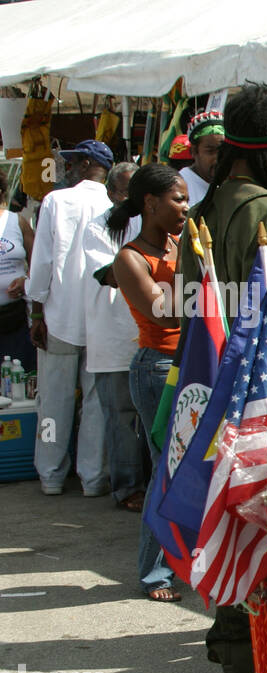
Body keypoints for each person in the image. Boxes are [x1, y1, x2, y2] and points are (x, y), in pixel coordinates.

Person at [176, 83, 267, 673]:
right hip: (264, 397)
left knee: (225, 521)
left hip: (212, 397)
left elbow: (190, 309)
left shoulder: (203, 211)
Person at [111, 164, 187, 602]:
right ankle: (155, 574)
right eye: (176, 199)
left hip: (188, 363)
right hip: (157, 368)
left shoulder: (181, 246)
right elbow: (167, 313)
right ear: (150, 204)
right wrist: (191, 268)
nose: (184, 206)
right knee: (165, 471)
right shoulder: (130, 259)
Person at [26, 139, 115, 496]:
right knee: (95, 403)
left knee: (54, 400)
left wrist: (36, 309)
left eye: (72, 161)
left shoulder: (56, 201)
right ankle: (93, 478)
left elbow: (43, 261)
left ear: (81, 164)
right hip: (101, 318)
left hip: (60, 316)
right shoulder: (115, 205)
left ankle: (50, 474)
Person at [83, 161, 146, 512]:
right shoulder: (100, 226)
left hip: (152, 335)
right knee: (121, 417)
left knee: (153, 415)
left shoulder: (156, 220)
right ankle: (127, 489)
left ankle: (152, 485)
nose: (131, 198)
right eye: (125, 191)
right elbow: (109, 274)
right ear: (111, 193)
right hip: (114, 336)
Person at [0, 167, 37, 371]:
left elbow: (38, 265)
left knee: (16, 379)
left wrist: (25, 280)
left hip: (14, 319)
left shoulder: (17, 222)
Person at [179, 109, 224, 208]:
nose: (217, 159)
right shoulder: (178, 187)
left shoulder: (228, 186)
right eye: (210, 151)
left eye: (222, 151)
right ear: (194, 151)